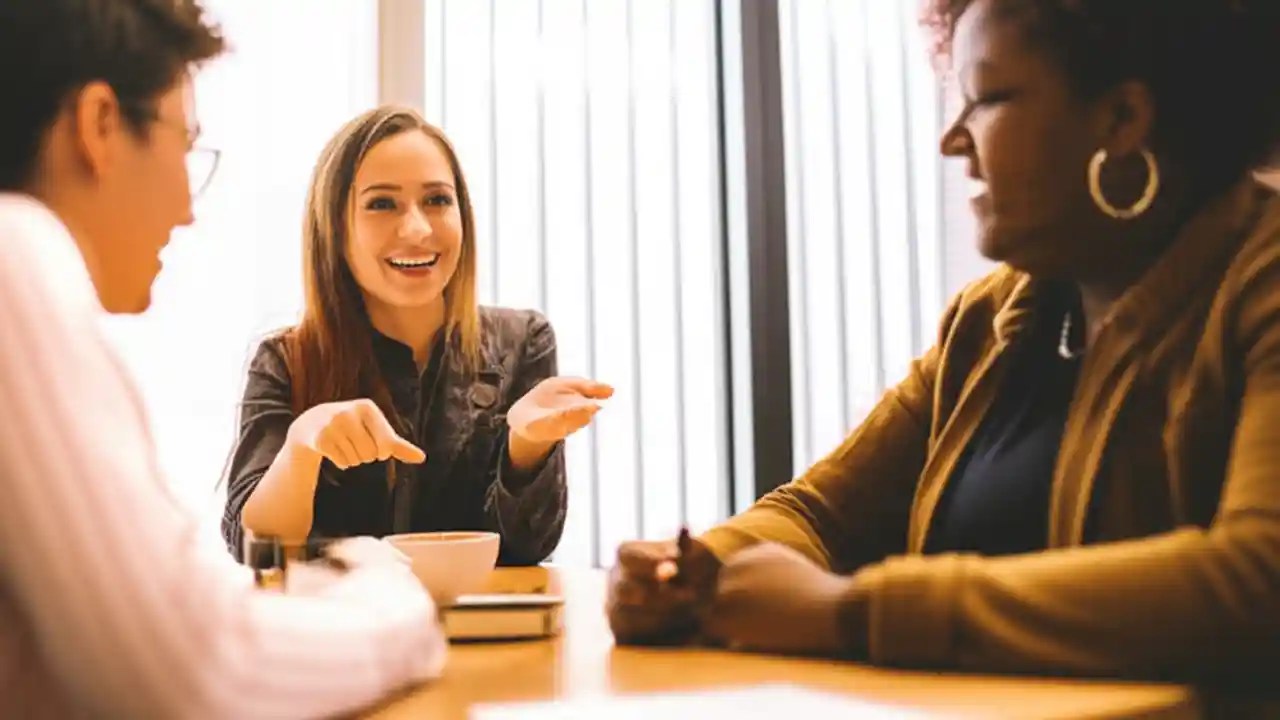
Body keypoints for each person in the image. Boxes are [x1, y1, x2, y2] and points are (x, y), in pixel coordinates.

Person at [608, 0, 1280, 682]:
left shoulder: (1260, 282)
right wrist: (691, 569)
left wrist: (854, 614)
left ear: (1122, 120)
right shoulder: (991, 319)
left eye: (986, 98)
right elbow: (821, 515)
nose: (952, 139)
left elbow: (1259, 579)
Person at [0, 2, 447, 717]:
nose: (187, 208)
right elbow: (195, 673)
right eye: (187, 146)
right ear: (100, 126)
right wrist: (393, 600)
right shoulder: (14, 257)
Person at [221, 106, 611, 565]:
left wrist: (526, 447)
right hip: (340, 632)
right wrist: (302, 447)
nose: (417, 229)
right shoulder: (286, 359)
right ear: (334, 229)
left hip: (486, 632)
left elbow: (527, 548)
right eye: (382, 203)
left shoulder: (523, 341)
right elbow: (258, 553)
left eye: (437, 201)